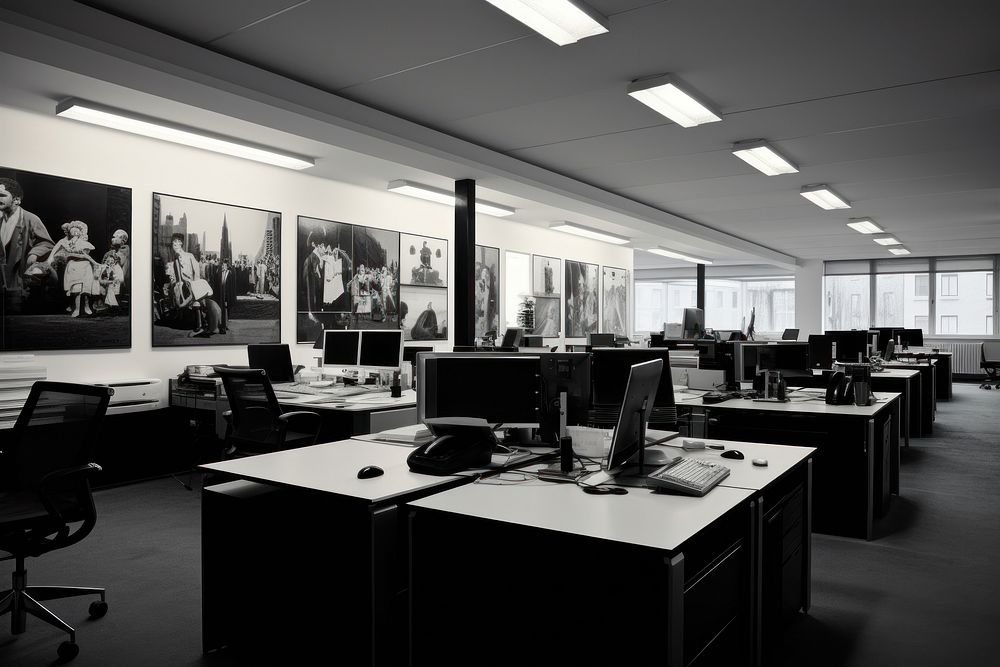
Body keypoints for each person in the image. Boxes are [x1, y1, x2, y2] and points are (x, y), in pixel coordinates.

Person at [0, 177, 54, 310]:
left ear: (16, 200)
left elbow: (47, 243)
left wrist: (33, 254)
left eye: (2, 195)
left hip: (17, 278)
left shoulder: (31, 219)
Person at [165, 232, 211, 335]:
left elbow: (196, 272)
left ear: (179, 243)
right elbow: (175, 276)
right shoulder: (174, 260)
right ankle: (195, 324)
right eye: (173, 245)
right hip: (181, 288)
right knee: (182, 305)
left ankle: (201, 326)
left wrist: (195, 285)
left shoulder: (189, 256)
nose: (173, 247)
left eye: (174, 244)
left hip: (191, 285)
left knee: (196, 303)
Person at [61, 220, 102, 317]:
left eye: (77, 231)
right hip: (74, 266)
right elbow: (66, 255)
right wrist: (71, 254)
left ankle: (87, 306)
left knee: (86, 288)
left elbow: (85, 255)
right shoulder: (68, 243)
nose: (75, 233)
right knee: (76, 288)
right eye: (73, 231)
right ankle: (77, 308)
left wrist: (94, 262)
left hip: (85, 266)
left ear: (80, 232)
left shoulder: (84, 243)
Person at [302, 229, 325, 312]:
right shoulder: (311, 259)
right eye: (322, 246)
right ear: (315, 245)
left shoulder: (320, 258)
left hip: (318, 295)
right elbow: (307, 283)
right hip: (313, 297)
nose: (324, 248)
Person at [214, 258, 237, 334]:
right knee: (221, 310)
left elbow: (232, 287)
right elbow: (217, 284)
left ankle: (224, 327)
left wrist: (230, 297)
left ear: (227, 266)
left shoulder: (230, 274)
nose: (223, 266)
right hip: (221, 295)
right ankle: (222, 325)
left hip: (227, 296)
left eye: (224, 265)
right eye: (222, 265)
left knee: (226, 311)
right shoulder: (219, 273)